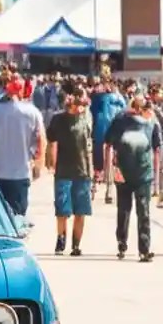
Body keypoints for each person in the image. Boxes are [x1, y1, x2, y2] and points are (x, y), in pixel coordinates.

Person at [106, 96, 161, 262]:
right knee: (137, 210)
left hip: (136, 172)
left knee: (129, 209)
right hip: (134, 172)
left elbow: (108, 143)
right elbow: (157, 149)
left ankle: (137, 246)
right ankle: (126, 244)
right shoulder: (122, 121)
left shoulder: (148, 122)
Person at [0, 76, 45, 222]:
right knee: (17, 220)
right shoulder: (32, 112)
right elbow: (41, 140)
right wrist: (38, 165)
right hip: (20, 173)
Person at [46, 84, 93, 256]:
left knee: (81, 210)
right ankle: (61, 239)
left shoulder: (87, 119)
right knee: (62, 210)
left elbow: (89, 147)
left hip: (82, 170)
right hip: (63, 170)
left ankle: (76, 244)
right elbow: (51, 139)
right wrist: (50, 160)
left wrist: (92, 173)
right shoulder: (58, 119)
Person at [90, 79, 127, 204]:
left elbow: (93, 111)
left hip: (106, 130)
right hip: (109, 131)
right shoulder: (119, 99)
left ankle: (106, 188)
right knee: (106, 159)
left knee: (105, 159)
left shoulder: (101, 98)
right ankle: (101, 187)